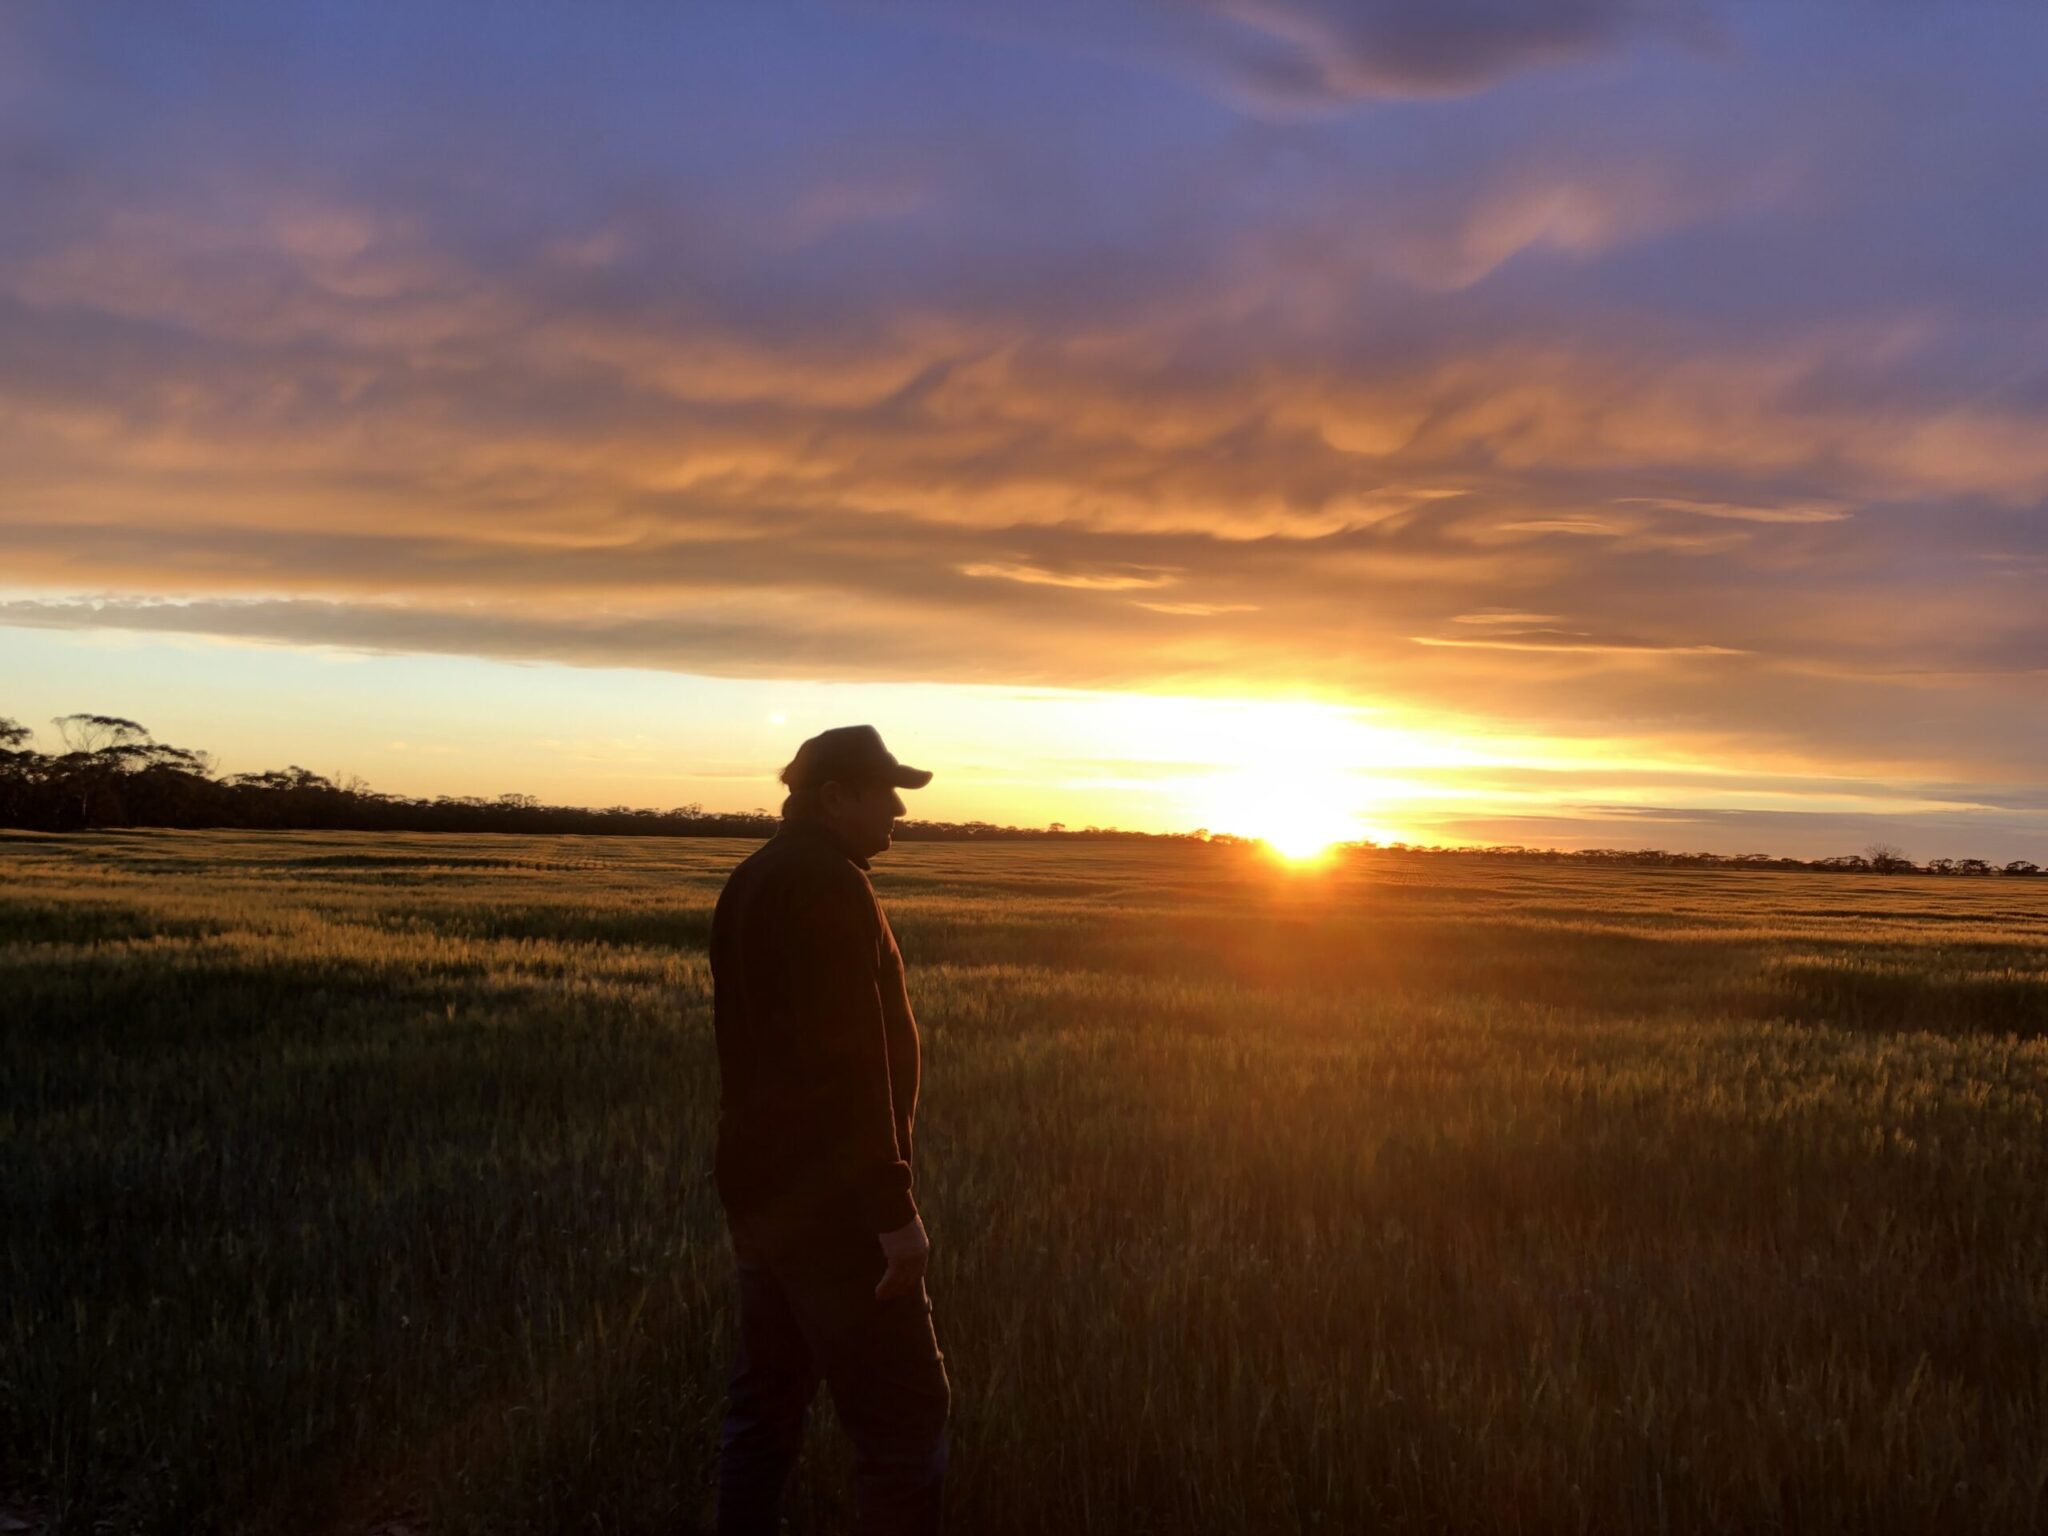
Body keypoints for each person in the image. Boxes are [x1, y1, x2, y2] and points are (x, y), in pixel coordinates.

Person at [710, 725, 950, 1535]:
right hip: (835, 1212)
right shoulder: (826, 885)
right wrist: (893, 1213)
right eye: (885, 794)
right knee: (905, 1416)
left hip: (763, 1199)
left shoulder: (754, 876)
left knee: (767, 1404)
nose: (897, 812)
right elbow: (844, 1066)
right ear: (835, 797)